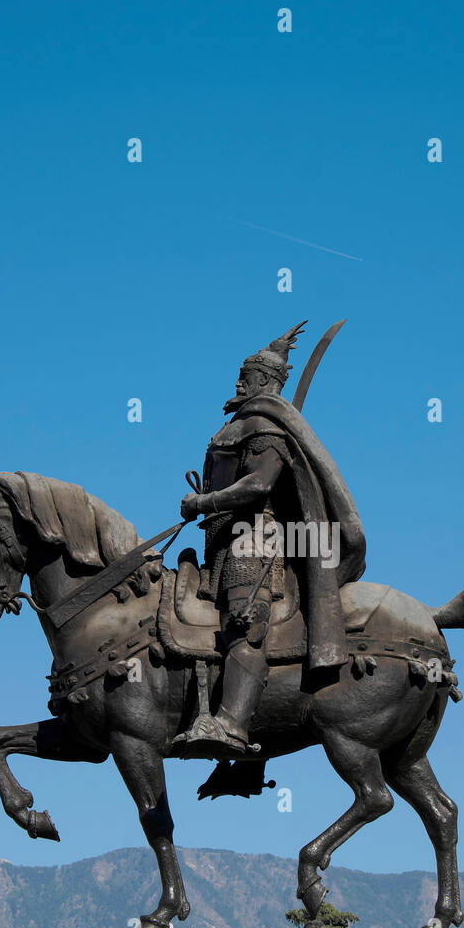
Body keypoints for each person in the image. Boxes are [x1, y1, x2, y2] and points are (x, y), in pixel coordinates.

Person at [173, 322, 366, 759]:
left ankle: (233, 726)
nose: (239, 382)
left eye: (248, 376)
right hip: (224, 541)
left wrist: (204, 502)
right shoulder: (242, 424)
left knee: (246, 624)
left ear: (266, 381)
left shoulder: (265, 425)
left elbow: (260, 486)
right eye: (240, 374)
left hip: (255, 541)